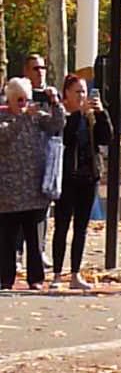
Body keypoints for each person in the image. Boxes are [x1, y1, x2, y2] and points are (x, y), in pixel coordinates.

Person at [0, 77, 64, 289]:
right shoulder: (4, 117)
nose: (23, 104)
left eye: (26, 99)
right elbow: (5, 135)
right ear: (9, 99)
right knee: (7, 240)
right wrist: (23, 118)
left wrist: (55, 103)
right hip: (9, 191)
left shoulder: (37, 118)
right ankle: (5, 278)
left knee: (34, 240)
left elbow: (57, 124)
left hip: (35, 190)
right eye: (19, 100)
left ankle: (35, 279)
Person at [51, 75, 112, 290]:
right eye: (77, 91)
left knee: (81, 228)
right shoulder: (61, 113)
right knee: (62, 226)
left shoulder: (92, 117)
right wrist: (79, 113)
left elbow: (107, 138)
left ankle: (75, 274)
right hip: (67, 178)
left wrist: (101, 113)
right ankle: (57, 275)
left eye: (84, 92)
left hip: (89, 176)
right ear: (66, 93)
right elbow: (66, 137)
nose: (82, 96)